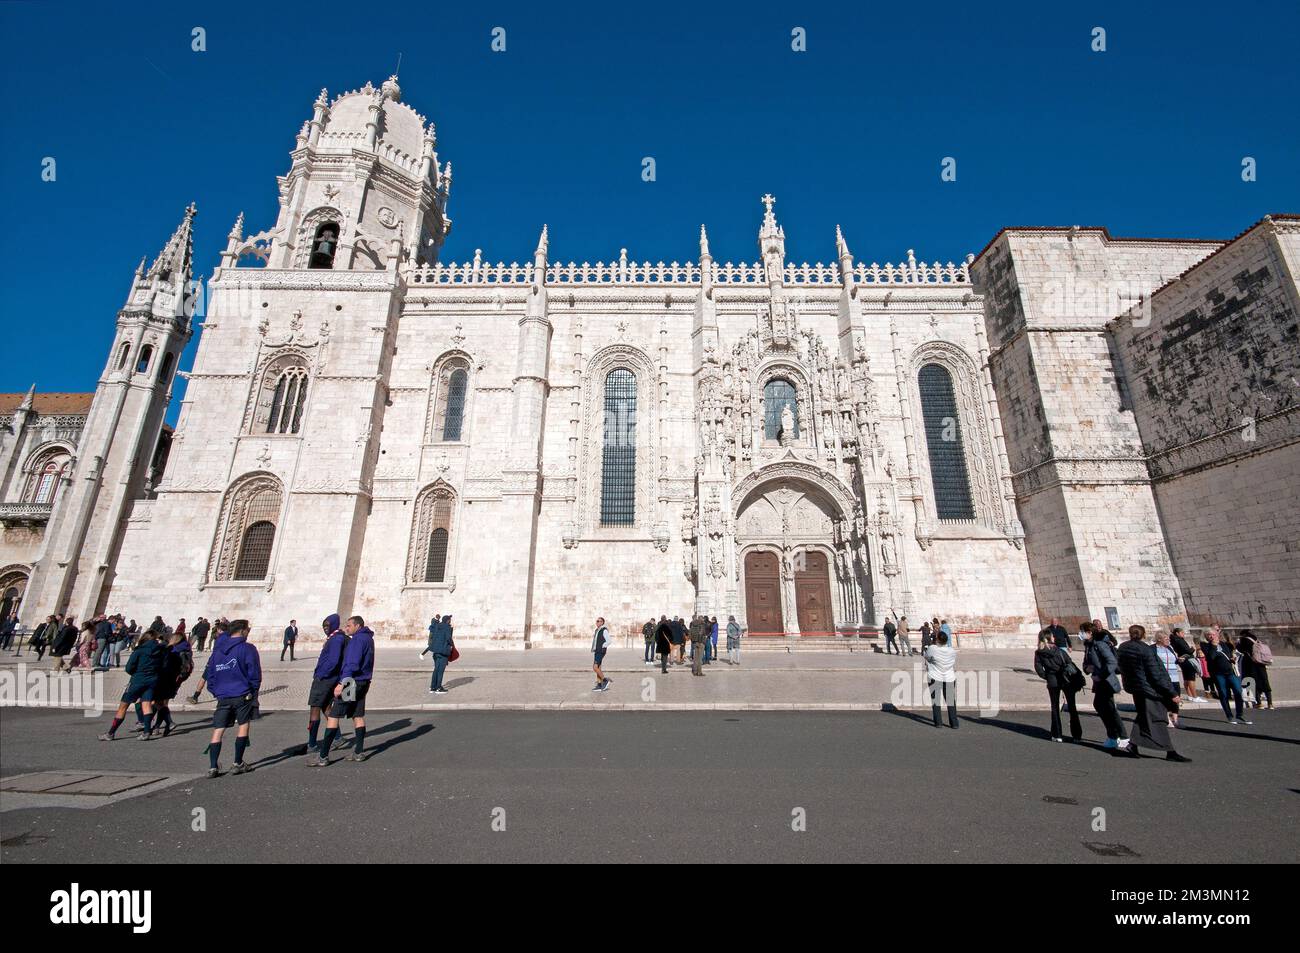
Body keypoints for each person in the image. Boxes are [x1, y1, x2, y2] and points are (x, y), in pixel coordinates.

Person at [197, 619, 262, 777]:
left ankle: (213, 766)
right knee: (243, 725)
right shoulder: (247, 648)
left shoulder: (218, 651)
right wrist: (252, 690)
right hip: (242, 693)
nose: (248, 631)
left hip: (223, 696)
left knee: (218, 729)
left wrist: (216, 691)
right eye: (248, 629)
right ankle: (237, 763)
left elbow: (210, 674)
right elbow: (254, 672)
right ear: (241, 631)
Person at [1116, 624, 1190, 762]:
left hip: (1134, 687)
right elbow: (1156, 673)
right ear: (1143, 634)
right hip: (1148, 689)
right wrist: (1172, 693)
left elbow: (1120, 667)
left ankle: (1133, 744)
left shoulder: (1123, 647)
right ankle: (1170, 751)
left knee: (1144, 716)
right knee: (1158, 718)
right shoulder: (1145, 649)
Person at [312, 615, 375, 765]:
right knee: (357, 715)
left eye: (349, 626)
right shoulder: (369, 639)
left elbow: (352, 663)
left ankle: (323, 756)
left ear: (357, 626)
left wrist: (342, 683)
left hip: (351, 682)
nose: (346, 628)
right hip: (364, 682)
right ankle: (359, 752)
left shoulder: (357, 640)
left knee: (334, 715)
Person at [98, 631, 166, 741]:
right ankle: (146, 732)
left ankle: (111, 733)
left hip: (138, 680)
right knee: (146, 704)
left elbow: (129, 667)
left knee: (123, 706)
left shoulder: (139, 650)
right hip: (152, 680)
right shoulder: (160, 650)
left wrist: (136, 674)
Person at [1082, 621, 1129, 751]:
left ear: (1089, 632)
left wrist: (1100, 675)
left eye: (1082, 632)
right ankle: (1114, 736)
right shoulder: (1088, 645)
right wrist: (1087, 668)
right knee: (1102, 706)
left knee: (1108, 707)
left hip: (1106, 680)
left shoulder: (1100, 645)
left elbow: (1112, 662)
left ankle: (1122, 737)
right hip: (1099, 681)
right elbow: (1085, 662)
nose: (1081, 634)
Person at [307, 613, 348, 752]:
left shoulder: (336, 640)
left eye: (327, 625)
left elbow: (333, 660)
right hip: (329, 678)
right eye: (323, 626)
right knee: (326, 708)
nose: (325, 628)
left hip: (324, 679)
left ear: (334, 625)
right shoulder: (335, 638)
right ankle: (338, 737)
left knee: (314, 709)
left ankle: (312, 744)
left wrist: (321, 674)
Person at [1034, 635, 1082, 741]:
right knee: (1072, 707)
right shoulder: (1059, 650)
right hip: (1066, 680)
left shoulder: (1039, 653)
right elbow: (1069, 661)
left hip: (1053, 681)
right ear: (1050, 639)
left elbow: (1038, 668)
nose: (1054, 638)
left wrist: (1047, 676)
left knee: (1055, 707)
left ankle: (1057, 734)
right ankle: (1077, 735)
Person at [1203, 627, 1250, 725]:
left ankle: (1239, 714)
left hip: (1230, 671)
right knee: (1223, 694)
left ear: (1217, 635)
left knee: (1238, 691)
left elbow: (1228, 654)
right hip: (1218, 674)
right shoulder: (1206, 646)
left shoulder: (1223, 644)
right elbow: (1211, 657)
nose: (1212, 636)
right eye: (1209, 635)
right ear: (1206, 637)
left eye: (1213, 634)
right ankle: (1229, 715)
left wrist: (1232, 658)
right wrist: (1214, 646)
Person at [152, 629, 194, 737]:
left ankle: (164, 724)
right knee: (163, 703)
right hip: (177, 679)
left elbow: (167, 664)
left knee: (158, 703)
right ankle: (158, 726)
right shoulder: (187, 648)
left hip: (168, 678)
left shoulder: (175, 650)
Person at [923, 631, 959, 728]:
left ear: (937, 639)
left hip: (935, 677)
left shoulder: (932, 648)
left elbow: (926, 656)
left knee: (936, 701)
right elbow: (952, 662)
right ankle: (954, 723)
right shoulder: (952, 651)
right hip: (949, 677)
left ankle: (938, 722)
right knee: (951, 701)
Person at [1153, 631, 1184, 727]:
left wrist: (1178, 660)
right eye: (1166, 639)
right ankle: (1167, 720)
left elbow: (1173, 659)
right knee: (1165, 698)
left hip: (1174, 676)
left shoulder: (1170, 648)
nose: (1169, 640)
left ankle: (1175, 720)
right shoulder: (1153, 649)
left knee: (1176, 697)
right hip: (1163, 677)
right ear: (1159, 639)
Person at [1240, 629, 1274, 710]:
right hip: (1261, 663)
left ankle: (1259, 703)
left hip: (1250, 663)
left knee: (1254, 682)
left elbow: (1240, 649)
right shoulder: (1255, 639)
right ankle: (1270, 704)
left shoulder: (1243, 640)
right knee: (1265, 681)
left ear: (1243, 634)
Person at [1169, 627, 1205, 703]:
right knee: (1191, 678)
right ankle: (1194, 696)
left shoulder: (1174, 640)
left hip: (1183, 660)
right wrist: (1192, 649)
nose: (1183, 634)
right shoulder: (1179, 640)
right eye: (1182, 633)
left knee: (1186, 678)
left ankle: (1189, 695)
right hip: (1187, 659)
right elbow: (1188, 651)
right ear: (1177, 633)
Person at [427, 612, 453, 694]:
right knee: (440, 670)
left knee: (436, 669)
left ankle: (432, 687)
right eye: (450, 620)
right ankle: (438, 688)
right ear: (448, 621)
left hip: (435, 652)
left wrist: (436, 619)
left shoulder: (437, 626)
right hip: (443, 651)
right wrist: (451, 645)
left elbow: (433, 623)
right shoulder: (447, 627)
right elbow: (448, 638)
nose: (450, 621)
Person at [591, 616, 612, 691]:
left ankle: (605, 681)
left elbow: (609, 641)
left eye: (599, 621)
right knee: (598, 668)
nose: (597, 622)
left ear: (602, 622)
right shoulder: (597, 630)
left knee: (595, 667)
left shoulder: (604, 630)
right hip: (597, 651)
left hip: (600, 651)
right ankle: (599, 685)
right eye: (597, 621)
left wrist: (602, 646)